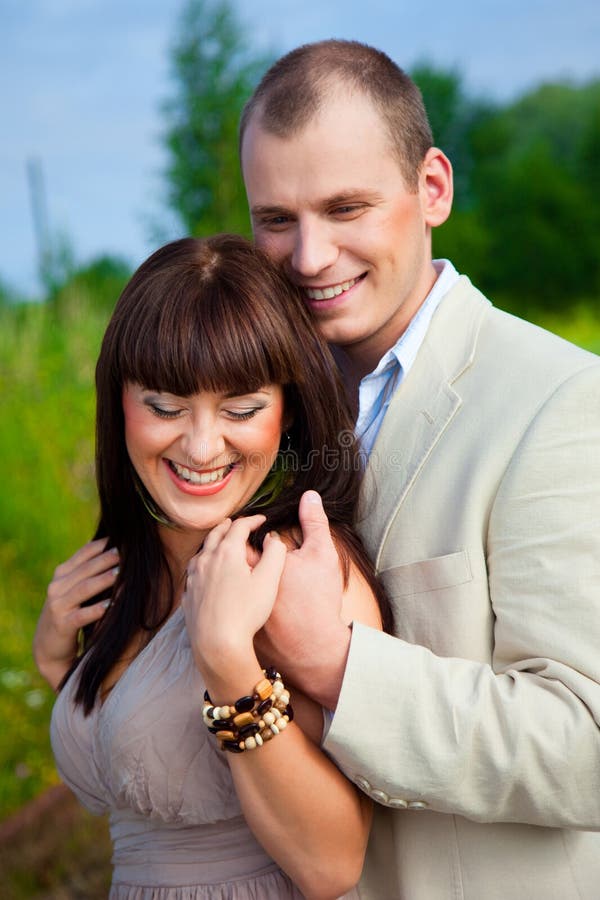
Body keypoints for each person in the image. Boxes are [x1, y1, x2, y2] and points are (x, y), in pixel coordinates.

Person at [237, 40, 600, 899]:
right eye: (276, 219)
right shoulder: (251, 410)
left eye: (346, 208)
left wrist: (338, 665)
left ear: (432, 188)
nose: (310, 257)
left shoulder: (560, 401)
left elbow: (586, 745)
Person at [33, 234, 388, 899]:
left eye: (241, 409)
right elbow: (135, 788)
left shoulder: (294, 573)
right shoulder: (130, 570)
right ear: (120, 403)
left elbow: (332, 863)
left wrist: (229, 666)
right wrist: (62, 662)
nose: (200, 446)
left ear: (287, 412)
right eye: (164, 407)